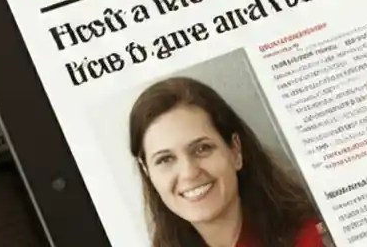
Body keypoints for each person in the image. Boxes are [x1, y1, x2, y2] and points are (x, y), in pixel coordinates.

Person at [128, 77, 326, 247]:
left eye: (202, 149)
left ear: (235, 151)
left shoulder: (314, 238)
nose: (189, 172)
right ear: (147, 171)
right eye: (165, 159)